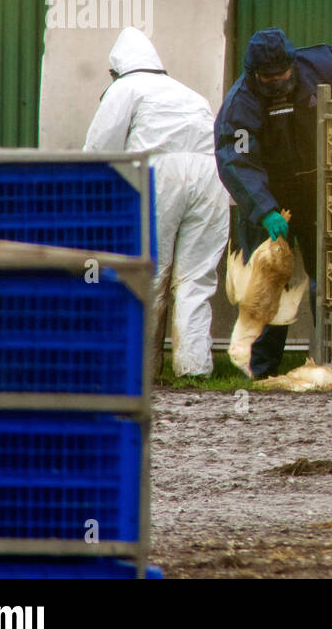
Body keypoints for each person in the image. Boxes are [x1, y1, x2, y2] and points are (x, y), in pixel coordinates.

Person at [215, 27, 332, 378]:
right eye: (268, 78)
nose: (277, 82)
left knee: (331, 277)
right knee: (267, 285)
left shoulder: (320, 62)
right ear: (255, 74)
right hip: (268, 197)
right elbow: (236, 162)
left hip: (318, 190)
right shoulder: (239, 105)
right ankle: (261, 371)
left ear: (293, 65)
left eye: (283, 74)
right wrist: (264, 209)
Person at [84, 26, 228, 378]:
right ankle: (193, 369)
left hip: (160, 174)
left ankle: (142, 370)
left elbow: (99, 150)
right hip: (210, 176)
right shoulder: (190, 94)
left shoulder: (124, 87)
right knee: (195, 278)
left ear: (115, 70)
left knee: (149, 273)